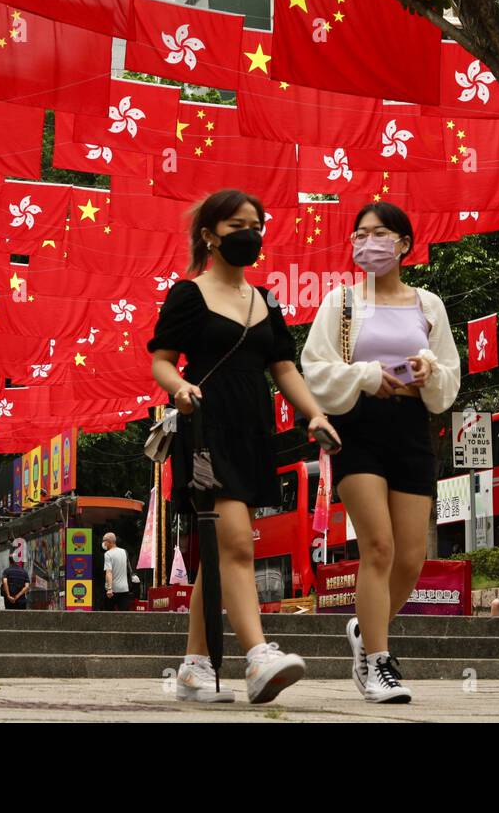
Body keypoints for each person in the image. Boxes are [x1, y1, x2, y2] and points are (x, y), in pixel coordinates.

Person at [147, 188, 338, 705]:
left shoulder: (267, 299)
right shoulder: (187, 294)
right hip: (205, 429)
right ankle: (257, 657)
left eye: (255, 223)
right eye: (236, 224)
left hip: (253, 430)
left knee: (218, 552)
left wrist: (314, 413)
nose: (249, 233)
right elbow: (162, 360)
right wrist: (178, 387)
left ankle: (193, 667)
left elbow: (283, 367)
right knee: (236, 542)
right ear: (209, 234)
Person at [301, 201, 461, 704]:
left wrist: (430, 371)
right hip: (359, 426)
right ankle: (377, 662)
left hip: (413, 426)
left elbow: (452, 375)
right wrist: (367, 377)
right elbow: (315, 368)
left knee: (411, 558)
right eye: (360, 234)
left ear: (405, 244)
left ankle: (366, 631)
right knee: (379, 547)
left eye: (380, 233)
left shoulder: (428, 304)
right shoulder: (342, 302)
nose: (368, 242)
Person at [101, 533, 135, 611]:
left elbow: (109, 572)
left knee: (108, 614)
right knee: (124, 615)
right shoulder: (124, 552)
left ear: (109, 542)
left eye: (104, 541)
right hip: (124, 589)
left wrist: (109, 589)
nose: (103, 543)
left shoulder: (108, 554)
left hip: (112, 591)